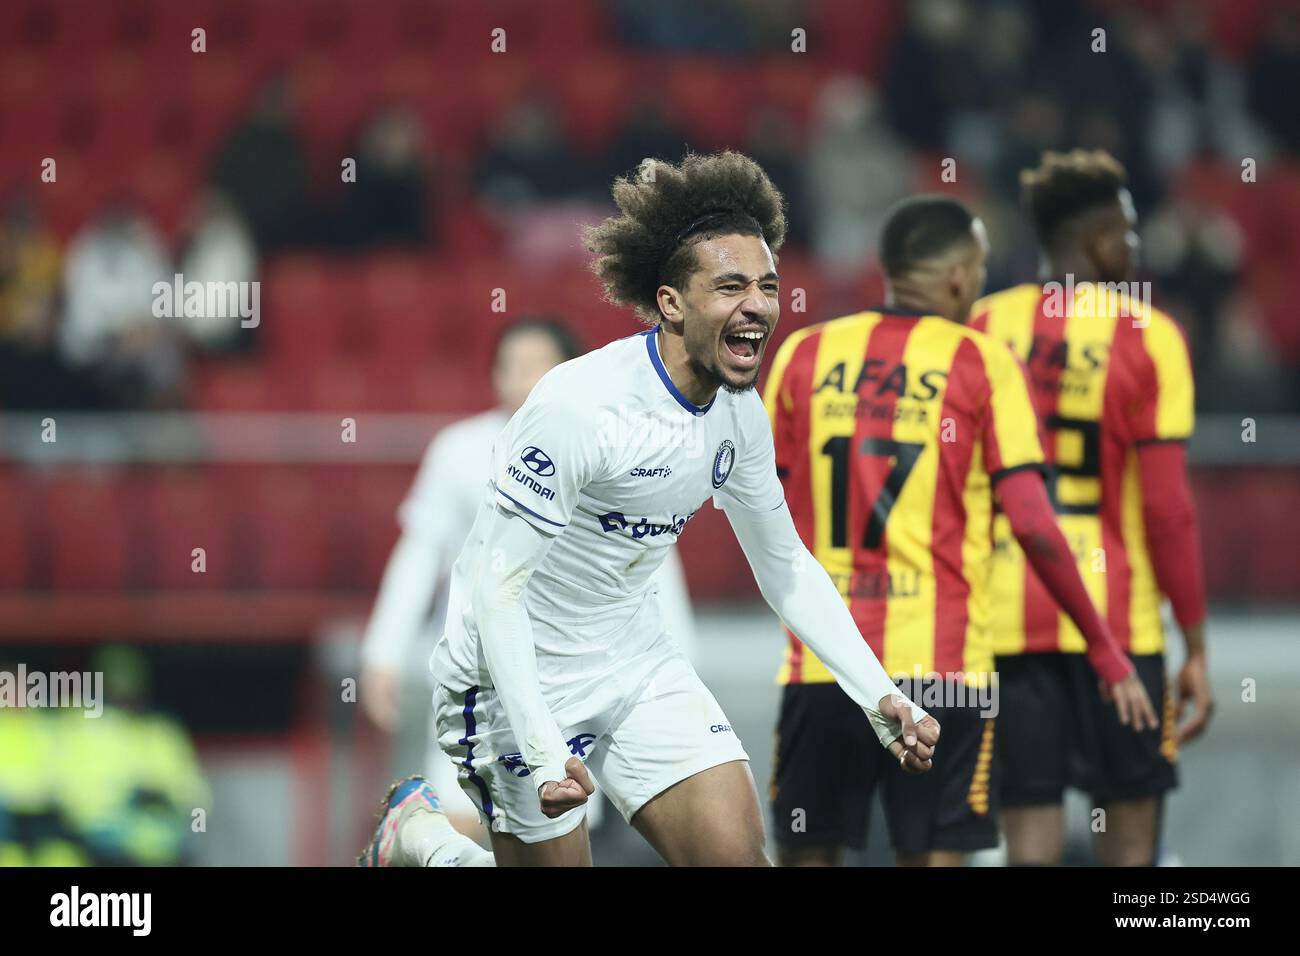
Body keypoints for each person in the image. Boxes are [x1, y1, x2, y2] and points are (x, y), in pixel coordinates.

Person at [361, 151, 937, 868]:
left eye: (766, 286)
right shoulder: (581, 407)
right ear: (672, 302)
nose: (756, 305)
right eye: (730, 286)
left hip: (635, 662)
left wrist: (879, 694)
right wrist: (543, 748)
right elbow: (494, 590)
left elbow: (784, 564)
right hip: (513, 680)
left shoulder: (739, 416)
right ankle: (418, 838)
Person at [765, 195, 1155, 868]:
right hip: (942, 676)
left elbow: (758, 501)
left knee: (810, 854)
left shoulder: (804, 354)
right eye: (978, 269)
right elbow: (1033, 523)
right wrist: (1102, 645)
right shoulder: (981, 361)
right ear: (957, 277)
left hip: (824, 665)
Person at [359, 317, 699, 839]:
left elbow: (650, 562)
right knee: (466, 818)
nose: (520, 379)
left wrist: (682, 668)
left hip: (578, 677)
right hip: (478, 673)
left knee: (560, 830)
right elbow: (418, 555)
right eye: (509, 367)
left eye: (535, 366)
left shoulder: (616, 447)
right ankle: (423, 845)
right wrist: (382, 652)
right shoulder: (458, 450)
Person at [970, 150, 1213, 866]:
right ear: (1101, 239)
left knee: (1029, 854)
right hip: (1121, 621)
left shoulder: (983, 325)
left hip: (1008, 624)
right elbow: (1169, 512)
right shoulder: (1151, 335)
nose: (1136, 247)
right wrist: (1194, 643)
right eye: (1129, 232)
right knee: (1133, 861)